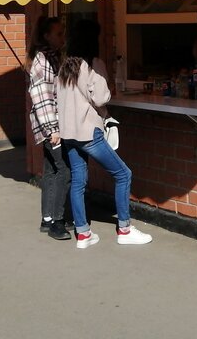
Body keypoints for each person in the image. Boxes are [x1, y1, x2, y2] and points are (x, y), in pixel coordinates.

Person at [56, 46, 152, 249]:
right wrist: (101, 76)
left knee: (78, 182)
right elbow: (101, 98)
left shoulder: (64, 68)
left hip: (68, 135)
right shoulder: (90, 66)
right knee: (123, 174)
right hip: (88, 134)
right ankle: (125, 230)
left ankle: (83, 233)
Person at [27, 16, 71, 241]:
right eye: (59, 34)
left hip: (50, 124)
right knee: (64, 170)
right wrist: (53, 129)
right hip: (51, 126)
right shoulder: (42, 60)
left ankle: (47, 219)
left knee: (52, 169)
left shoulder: (52, 57)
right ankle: (57, 222)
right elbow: (42, 97)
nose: (63, 38)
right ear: (46, 36)